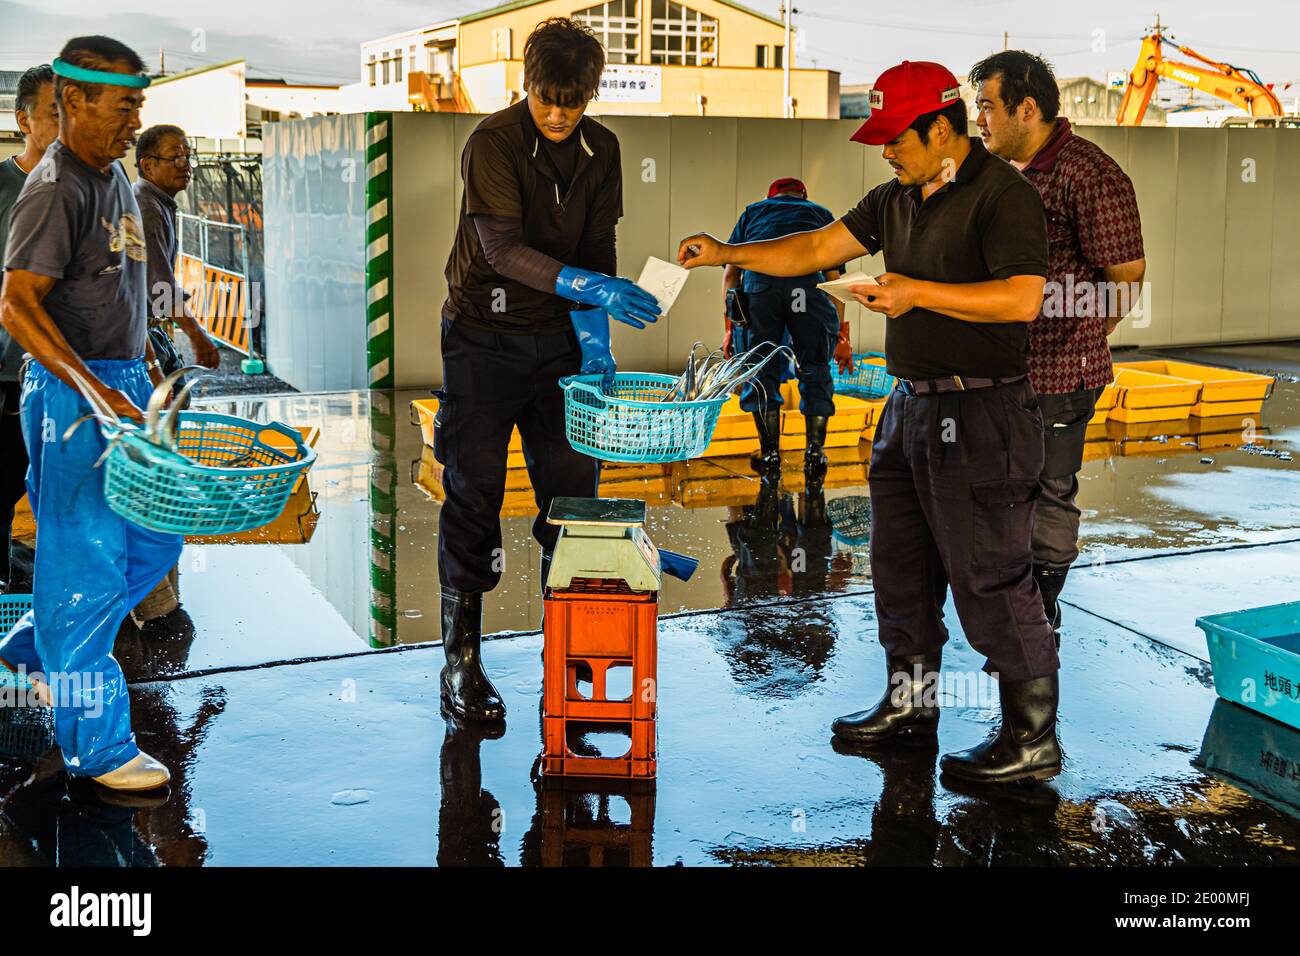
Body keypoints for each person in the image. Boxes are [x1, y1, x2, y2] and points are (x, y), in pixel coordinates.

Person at [679, 61, 1061, 784]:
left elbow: (1021, 299)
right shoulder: (896, 197)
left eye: (897, 138)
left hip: (982, 411)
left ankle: (1031, 736)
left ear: (942, 129)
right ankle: (911, 708)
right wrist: (727, 254)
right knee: (902, 571)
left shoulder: (1004, 196)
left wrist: (916, 292)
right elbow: (816, 249)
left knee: (990, 576)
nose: (886, 151)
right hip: (909, 405)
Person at [437, 17, 660, 722]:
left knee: (574, 504)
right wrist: (593, 290)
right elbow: (501, 250)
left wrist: (595, 343)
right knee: (474, 493)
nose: (559, 115)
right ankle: (461, 663)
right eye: (547, 99)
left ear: (592, 93)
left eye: (574, 101)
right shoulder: (493, 143)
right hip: (482, 338)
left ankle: (565, 651)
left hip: (560, 347)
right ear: (526, 85)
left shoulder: (603, 150)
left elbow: (598, 245)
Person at [0, 35, 180, 792]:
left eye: (139, 103)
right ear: (73, 100)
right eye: (124, 105)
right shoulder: (58, 188)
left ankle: (25, 658)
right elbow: (16, 306)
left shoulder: (112, 180)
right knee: (86, 560)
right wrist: (91, 385)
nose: (135, 121)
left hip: (121, 385)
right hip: (72, 400)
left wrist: (140, 368)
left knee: (155, 542)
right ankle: (98, 748)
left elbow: (116, 288)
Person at [970, 51, 1146, 640]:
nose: (980, 120)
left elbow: (1125, 281)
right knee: (1003, 489)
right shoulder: (1004, 173)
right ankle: (1013, 607)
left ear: (1028, 107)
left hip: (1061, 375)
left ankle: (1041, 615)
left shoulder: (1089, 174)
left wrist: (1082, 339)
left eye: (989, 107)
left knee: (1049, 491)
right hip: (1004, 370)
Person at [130, 122, 220, 625]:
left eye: (188, 156)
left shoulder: (157, 203)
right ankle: (154, 600)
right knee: (155, 460)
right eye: (174, 157)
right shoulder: (145, 202)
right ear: (146, 164)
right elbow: (157, 284)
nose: (185, 164)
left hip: (146, 336)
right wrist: (198, 335)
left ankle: (158, 588)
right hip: (138, 342)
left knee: (159, 456)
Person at [723, 177, 853, 486]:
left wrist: (731, 329)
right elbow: (835, 279)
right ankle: (815, 455)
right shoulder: (819, 213)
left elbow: (730, 274)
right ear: (803, 196)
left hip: (761, 289)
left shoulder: (753, 213)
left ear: (771, 196)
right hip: (808, 288)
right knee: (815, 367)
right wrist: (840, 336)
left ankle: (770, 455)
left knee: (761, 368)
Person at [0, 64, 57, 593]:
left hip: (64, 368)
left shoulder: (88, 184)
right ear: (25, 120)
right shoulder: (3, 184)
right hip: (7, 368)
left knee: (49, 481)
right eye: (54, 112)